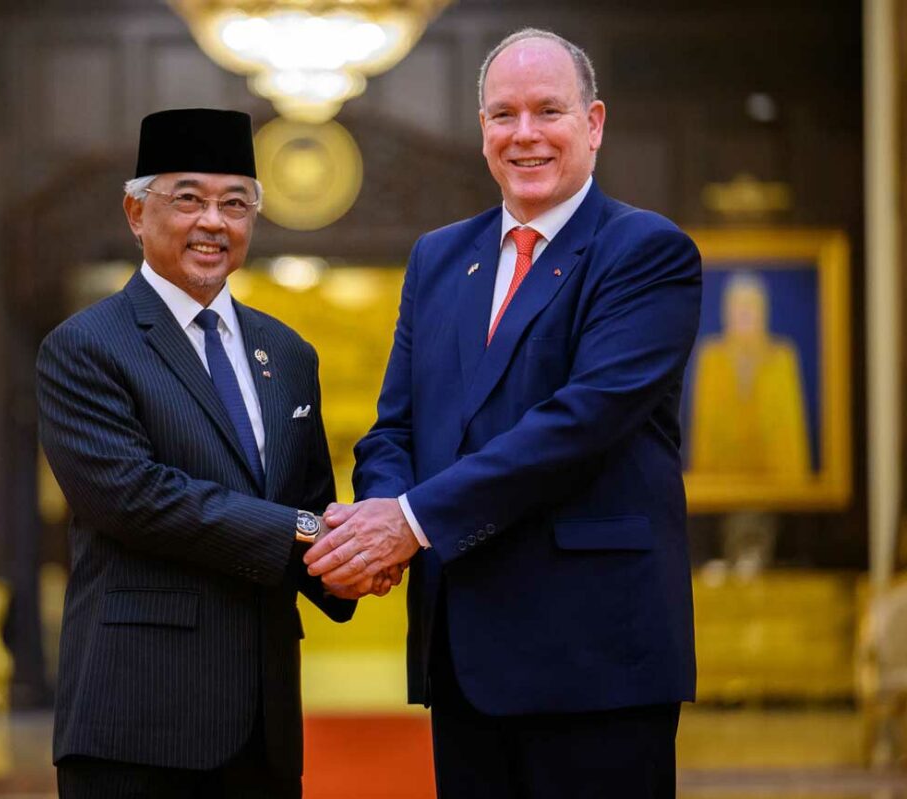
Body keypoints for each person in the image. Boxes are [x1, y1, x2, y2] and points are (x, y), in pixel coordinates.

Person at [305, 28, 702, 798]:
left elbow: (579, 425)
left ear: (593, 124)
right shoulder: (439, 258)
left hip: (595, 663)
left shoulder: (645, 252)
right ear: (481, 129)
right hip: (464, 653)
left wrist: (410, 521)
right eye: (502, 114)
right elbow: (394, 425)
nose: (524, 135)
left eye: (547, 111)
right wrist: (383, 509)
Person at [37, 108, 390, 799]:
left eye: (236, 203)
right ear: (136, 212)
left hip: (264, 727)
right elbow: (140, 499)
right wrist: (313, 533)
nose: (214, 222)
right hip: (137, 722)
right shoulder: (87, 348)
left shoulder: (287, 354)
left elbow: (308, 503)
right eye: (189, 198)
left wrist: (350, 560)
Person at [689, 271, 811, 478]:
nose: (744, 313)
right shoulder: (711, 357)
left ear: (764, 311)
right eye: (737, 306)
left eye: (751, 305)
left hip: (775, 483)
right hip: (722, 484)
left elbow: (792, 437)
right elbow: (704, 437)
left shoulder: (782, 357)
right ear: (726, 312)